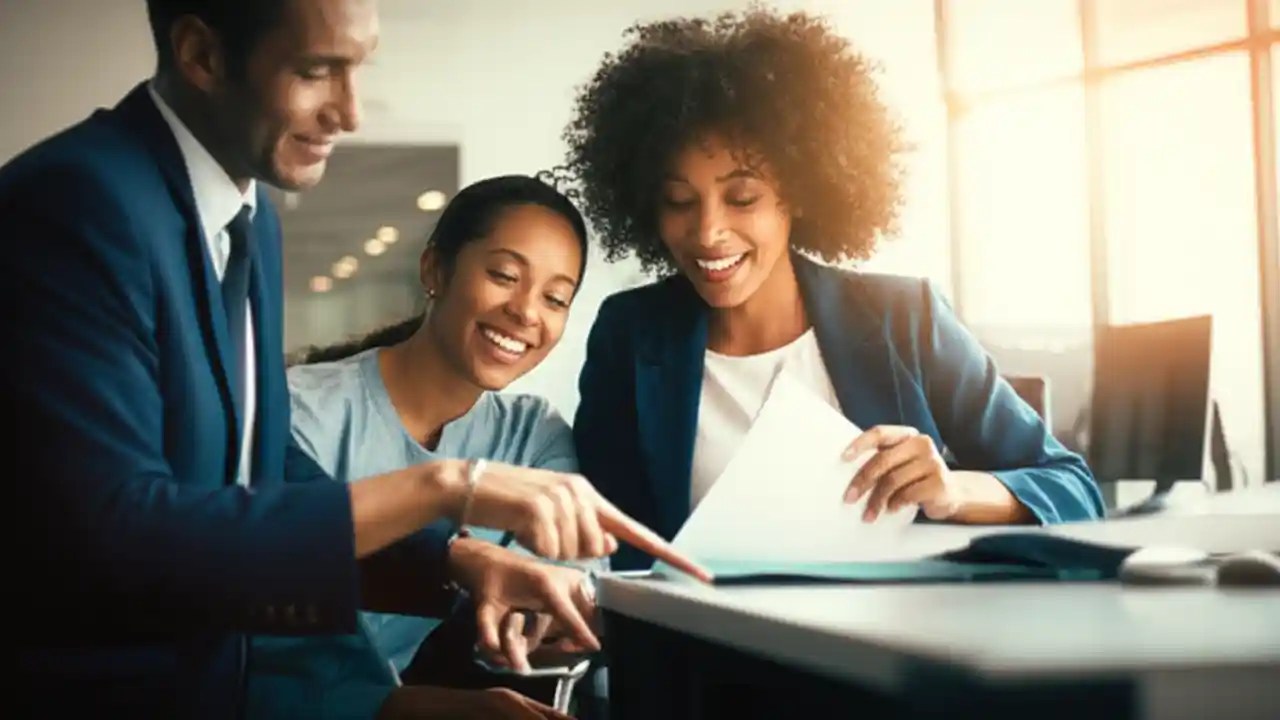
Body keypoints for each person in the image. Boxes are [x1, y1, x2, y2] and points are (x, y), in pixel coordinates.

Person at [3, 1, 705, 716]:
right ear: (201, 55)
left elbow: (264, 470)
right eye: (317, 70)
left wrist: (456, 559)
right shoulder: (77, 205)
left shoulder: (251, 220)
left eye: (358, 68)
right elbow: (114, 538)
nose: (350, 111)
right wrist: (445, 486)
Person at [563, 8, 1106, 573]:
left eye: (742, 198)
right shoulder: (631, 333)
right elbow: (605, 539)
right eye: (679, 202)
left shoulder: (904, 316)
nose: (707, 232)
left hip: (890, 648)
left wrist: (954, 490)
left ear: (797, 191)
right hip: (707, 651)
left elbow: (1073, 489)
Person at [247, 174, 605, 719]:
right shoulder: (301, 414)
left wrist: (541, 619)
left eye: (555, 298)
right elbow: (254, 649)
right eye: (504, 275)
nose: (527, 312)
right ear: (435, 270)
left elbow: (570, 577)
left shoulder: (531, 435)